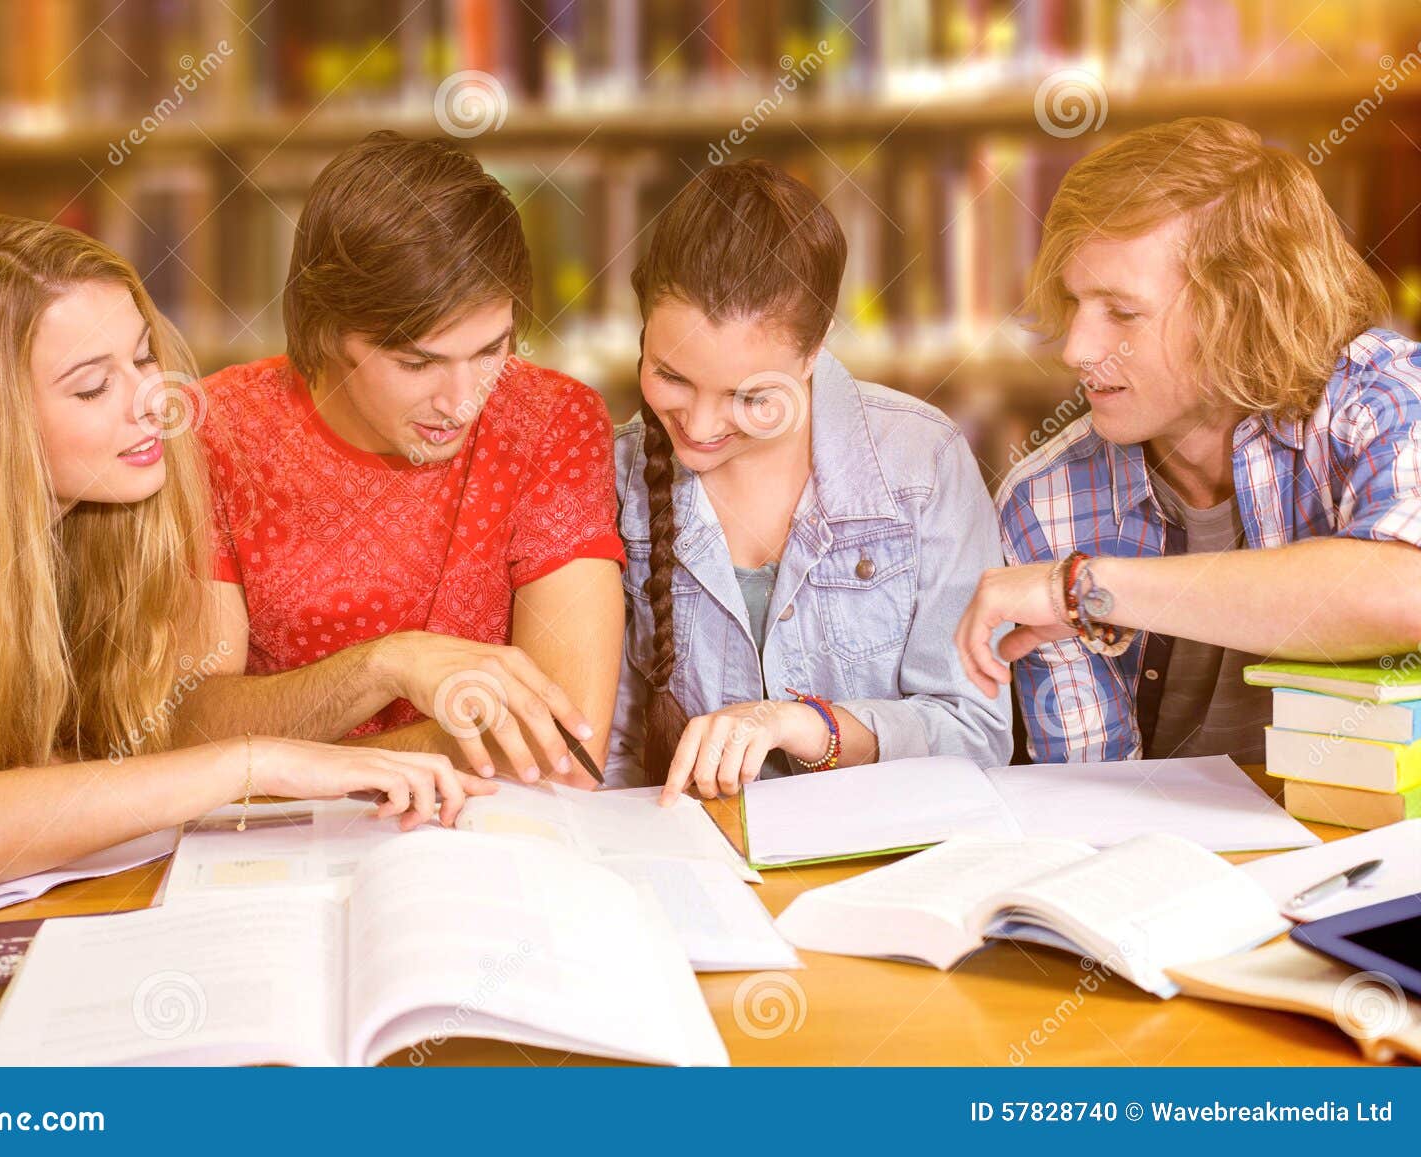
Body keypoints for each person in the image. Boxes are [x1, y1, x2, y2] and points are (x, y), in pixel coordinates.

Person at [0, 215, 489, 898]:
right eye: (90, 387)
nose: (151, 402)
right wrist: (248, 763)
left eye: (142, 358)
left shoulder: (113, 502)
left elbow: (113, 756)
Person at [958, 117, 1421, 763]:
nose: (1075, 349)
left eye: (1122, 312)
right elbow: (1093, 788)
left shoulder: (1380, 399)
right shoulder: (1045, 498)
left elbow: (1406, 594)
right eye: (1075, 303)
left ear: (1243, 308)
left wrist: (1084, 588)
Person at [174, 132, 626, 786]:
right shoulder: (216, 432)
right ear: (327, 330)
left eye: (491, 350)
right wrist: (383, 664)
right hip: (276, 858)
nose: (462, 400)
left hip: (482, 854)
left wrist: (280, 759)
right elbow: (187, 727)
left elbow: (564, 749)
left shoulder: (552, 420)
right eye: (418, 363)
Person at [607, 159, 1011, 801]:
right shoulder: (616, 477)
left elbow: (976, 734)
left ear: (815, 346)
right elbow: (610, 755)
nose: (702, 424)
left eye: (748, 395)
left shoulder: (921, 463)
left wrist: (808, 727)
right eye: (672, 377)